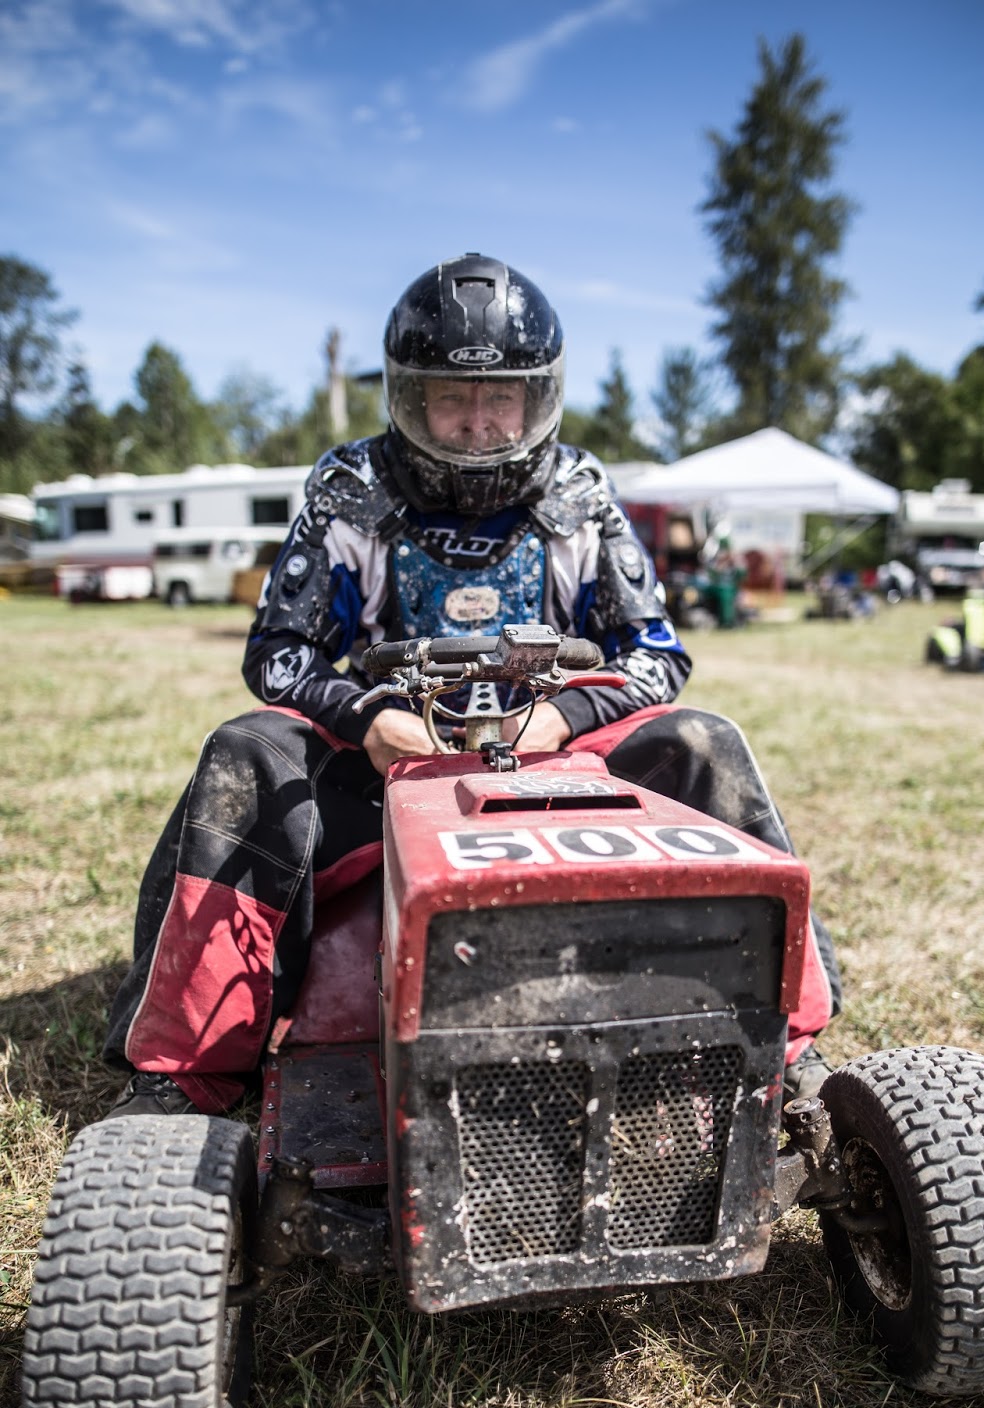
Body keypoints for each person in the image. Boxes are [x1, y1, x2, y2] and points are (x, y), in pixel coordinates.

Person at [103, 253, 841, 1118]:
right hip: (386, 766)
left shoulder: (581, 490)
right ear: (408, 397)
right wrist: (368, 711)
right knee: (245, 753)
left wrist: (565, 716)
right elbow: (278, 652)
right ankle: (180, 1080)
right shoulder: (349, 491)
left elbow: (656, 652)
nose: (477, 424)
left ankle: (795, 1059)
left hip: (561, 767)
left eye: (501, 399)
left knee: (705, 742)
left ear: (539, 398)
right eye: (450, 398)